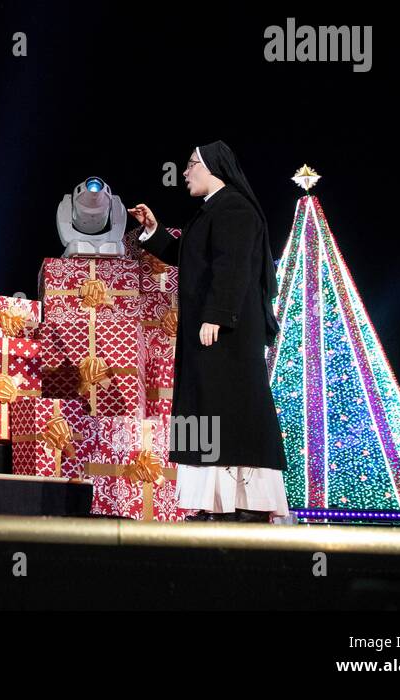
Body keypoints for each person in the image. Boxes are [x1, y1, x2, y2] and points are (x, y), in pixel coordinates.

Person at [128, 141, 289, 523]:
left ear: (213, 166)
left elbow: (232, 266)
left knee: (231, 412)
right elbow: (190, 255)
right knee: (200, 409)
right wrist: (153, 231)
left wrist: (216, 315)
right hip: (208, 329)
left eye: (190, 165)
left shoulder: (234, 207)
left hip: (226, 332)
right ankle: (213, 503)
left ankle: (249, 504)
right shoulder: (211, 210)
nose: (184, 173)